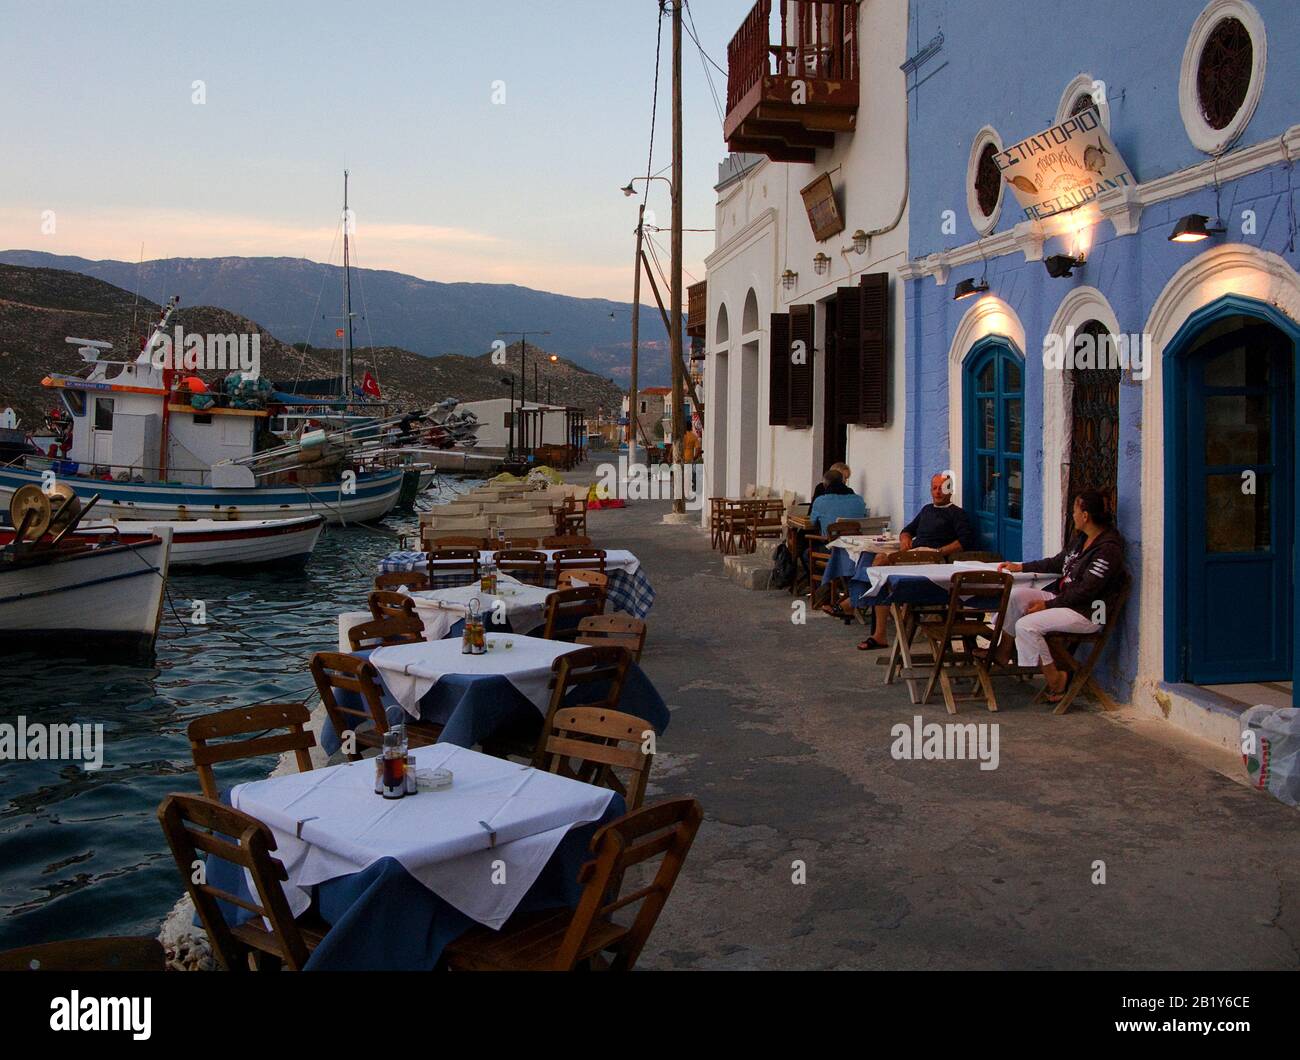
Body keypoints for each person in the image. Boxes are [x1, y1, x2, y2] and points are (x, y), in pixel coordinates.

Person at [975, 489, 1125, 702]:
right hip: (1066, 602)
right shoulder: (1081, 539)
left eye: (1075, 510)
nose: (1072, 514)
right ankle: (1004, 651)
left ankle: (1056, 679)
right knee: (1015, 596)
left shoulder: (1108, 550)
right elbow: (1057, 562)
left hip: (1089, 612)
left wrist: (1048, 605)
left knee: (1026, 625)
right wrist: (1021, 567)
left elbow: (1087, 591)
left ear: (1085, 515)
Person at [857, 472, 977, 650]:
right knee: (877, 560)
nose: (937, 492)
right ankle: (877, 627)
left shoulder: (956, 513)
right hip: (913, 552)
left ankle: (862, 612)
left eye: (942, 488)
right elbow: (908, 529)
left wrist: (940, 551)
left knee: (881, 568)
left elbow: (964, 540)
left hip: (931, 556)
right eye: (934, 488)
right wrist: (905, 538)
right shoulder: (927, 510)